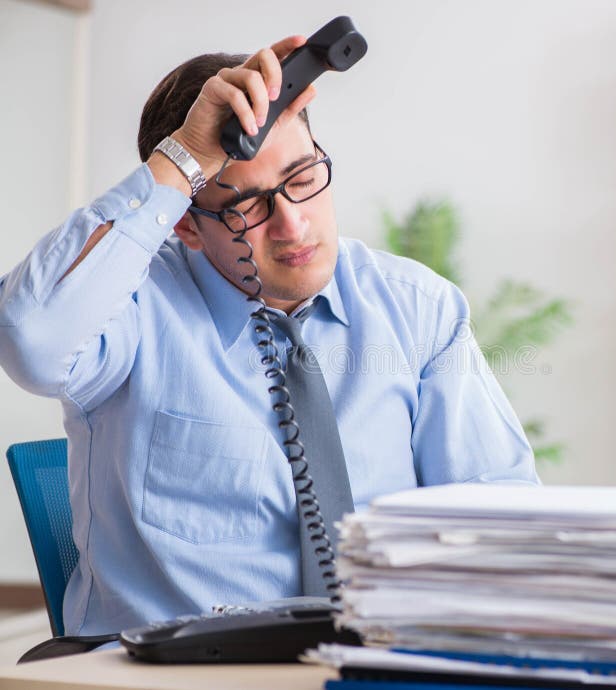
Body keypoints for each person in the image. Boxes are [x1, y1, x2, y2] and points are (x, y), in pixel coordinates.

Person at [0, 35, 538, 636]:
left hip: (376, 663)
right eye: (248, 205)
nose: (292, 222)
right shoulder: (129, 309)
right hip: (172, 680)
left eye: (303, 176)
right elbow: (30, 337)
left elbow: (497, 509)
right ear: (188, 226)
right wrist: (180, 165)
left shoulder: (418, 311)